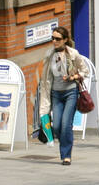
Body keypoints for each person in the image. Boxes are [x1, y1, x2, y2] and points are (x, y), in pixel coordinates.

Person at [36, 26, 91, 165]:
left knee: (66, 125)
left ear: (65, 40)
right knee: (56, 127)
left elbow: (85, 71)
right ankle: (65, 143)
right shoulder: (49, 54)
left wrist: (73, 77)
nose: (54, 41)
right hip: (55, 93)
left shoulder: (73, 54)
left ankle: (66, 155)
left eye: (58, 39)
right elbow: (47, 76)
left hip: (71, 92)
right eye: (53, 38)